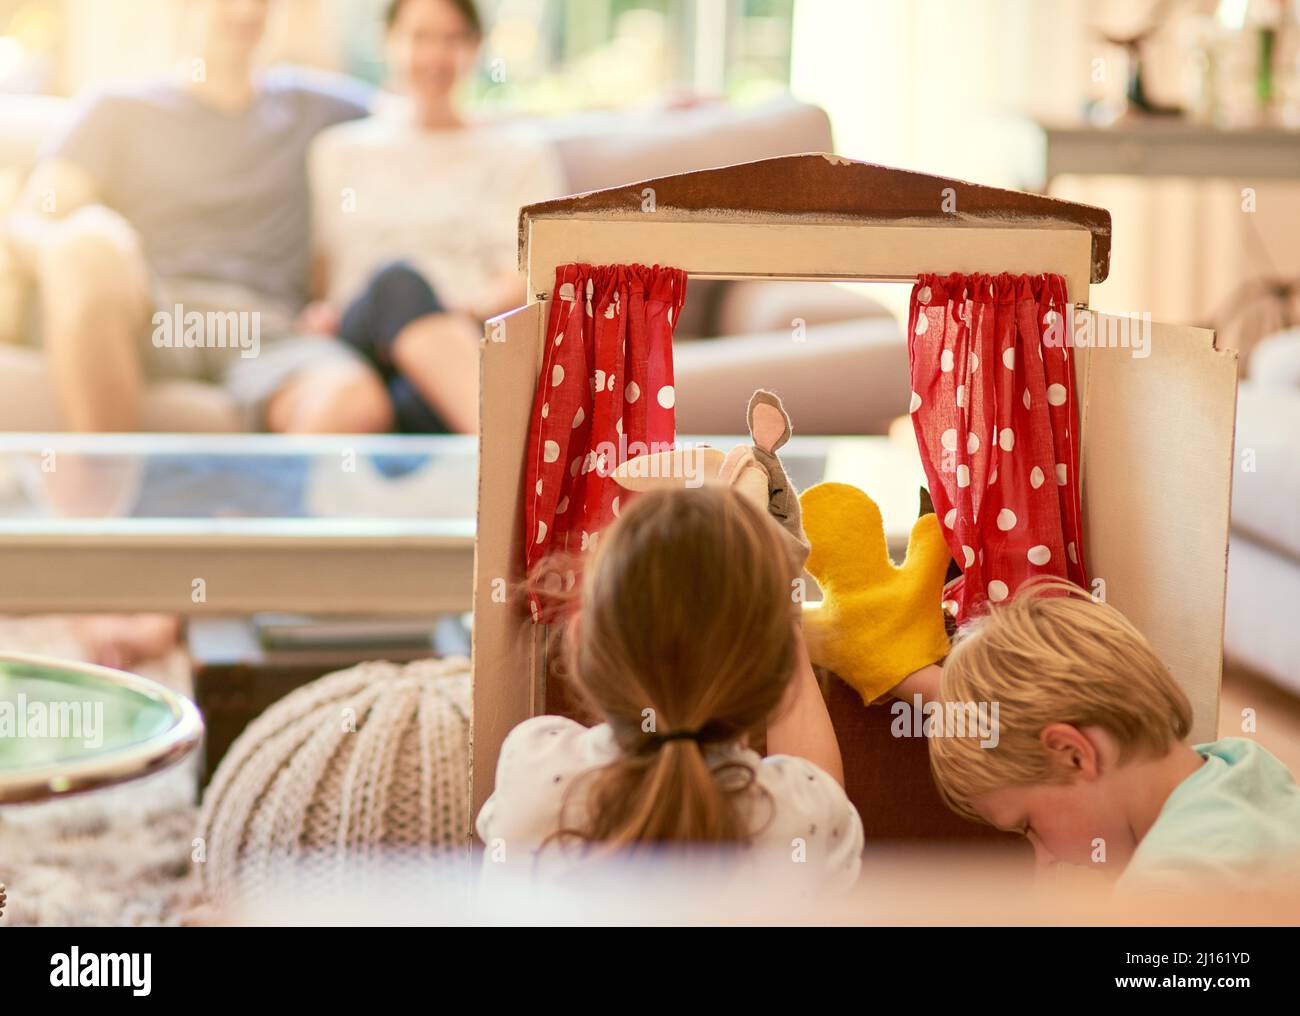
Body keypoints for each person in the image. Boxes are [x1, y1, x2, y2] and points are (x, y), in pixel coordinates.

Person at [7, 0, 382, 435]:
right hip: (152, 316)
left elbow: (416, 117)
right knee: (87, 242)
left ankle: (259, 503)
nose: (245, 12)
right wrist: (79, 249)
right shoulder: (117, 109)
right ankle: (101, 496)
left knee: (350, 401)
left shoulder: (318, 108)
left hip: (263, 328)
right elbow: (31, 219)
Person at [475, 486, 864, 892]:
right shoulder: (804, 818)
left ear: (579, 638)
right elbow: (818, 791)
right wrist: (786, 620)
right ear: (777, 666)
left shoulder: (535, 765)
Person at [928, 579, 1300, 895]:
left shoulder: (1171, 885)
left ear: (1073, 754)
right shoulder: (1241, 763)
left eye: (1029, 826)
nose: (1045, 858)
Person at [303, 0, 565, 433]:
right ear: (388, 43)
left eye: (452, 38)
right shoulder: (338, 151)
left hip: (469, 335)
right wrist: (318, 313)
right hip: (361, 338)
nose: (434, 56)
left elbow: (532, 277)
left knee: (413, 403)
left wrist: (445, 315)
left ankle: (465, 425)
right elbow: (321, 268)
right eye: (418, 37)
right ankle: (522, 460)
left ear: (476, 46)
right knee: (397, 282)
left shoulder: (520, 154)